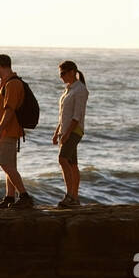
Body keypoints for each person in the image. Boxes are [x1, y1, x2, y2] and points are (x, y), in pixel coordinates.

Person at [0, 54, 33, 209]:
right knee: (10, 165)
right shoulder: (8, 83)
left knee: (5, 164)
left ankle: (24, 196)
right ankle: (9, 197)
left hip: (9, 130)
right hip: (10, 130)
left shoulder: (12, 84)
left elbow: (9, 110)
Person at [52, 60, 88, 207]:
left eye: (63, 73)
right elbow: (63, 115)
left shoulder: (80, 90)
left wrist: (67, 133)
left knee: (62, 159)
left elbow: (76, 116)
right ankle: (74, 197)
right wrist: (57, 132)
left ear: (72, 72)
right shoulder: (69, 89)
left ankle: (70, 195)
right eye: (60, 74)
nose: (61, 77)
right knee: (72, 164)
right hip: (66, 130)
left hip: (74, 130)